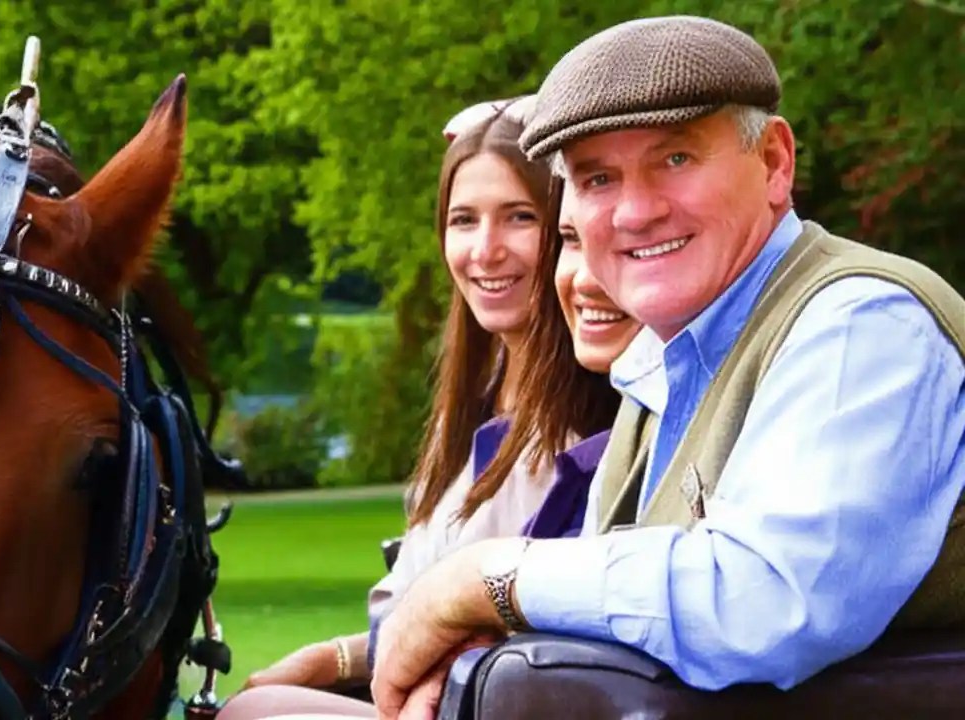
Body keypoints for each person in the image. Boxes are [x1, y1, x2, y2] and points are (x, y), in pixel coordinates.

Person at [369, 15, 965, 720]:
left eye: (675, 160)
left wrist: (480, 579)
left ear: (775, 163)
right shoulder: (660, 367)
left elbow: (766, 599)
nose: (635, 211)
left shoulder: (860, 324)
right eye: (596, 178)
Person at [216, 105, 626, 720]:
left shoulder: (596, 417)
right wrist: (338, 658)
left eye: (520, 217)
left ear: (569, 229)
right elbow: (416, 613)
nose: (485, 250)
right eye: (464, 220)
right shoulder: (470, 405)